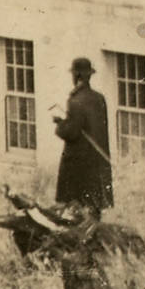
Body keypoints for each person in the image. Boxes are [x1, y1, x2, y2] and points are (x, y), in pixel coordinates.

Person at [53, 57, 115, 213]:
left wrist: (60, 125)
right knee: (93, 206)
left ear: (76, 76)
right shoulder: (99, 98)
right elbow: (88, 125)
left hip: (78, 163)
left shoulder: (75, 101)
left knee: (75, 206)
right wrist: (68, 121)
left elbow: (72, 133)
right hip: (97, 162)